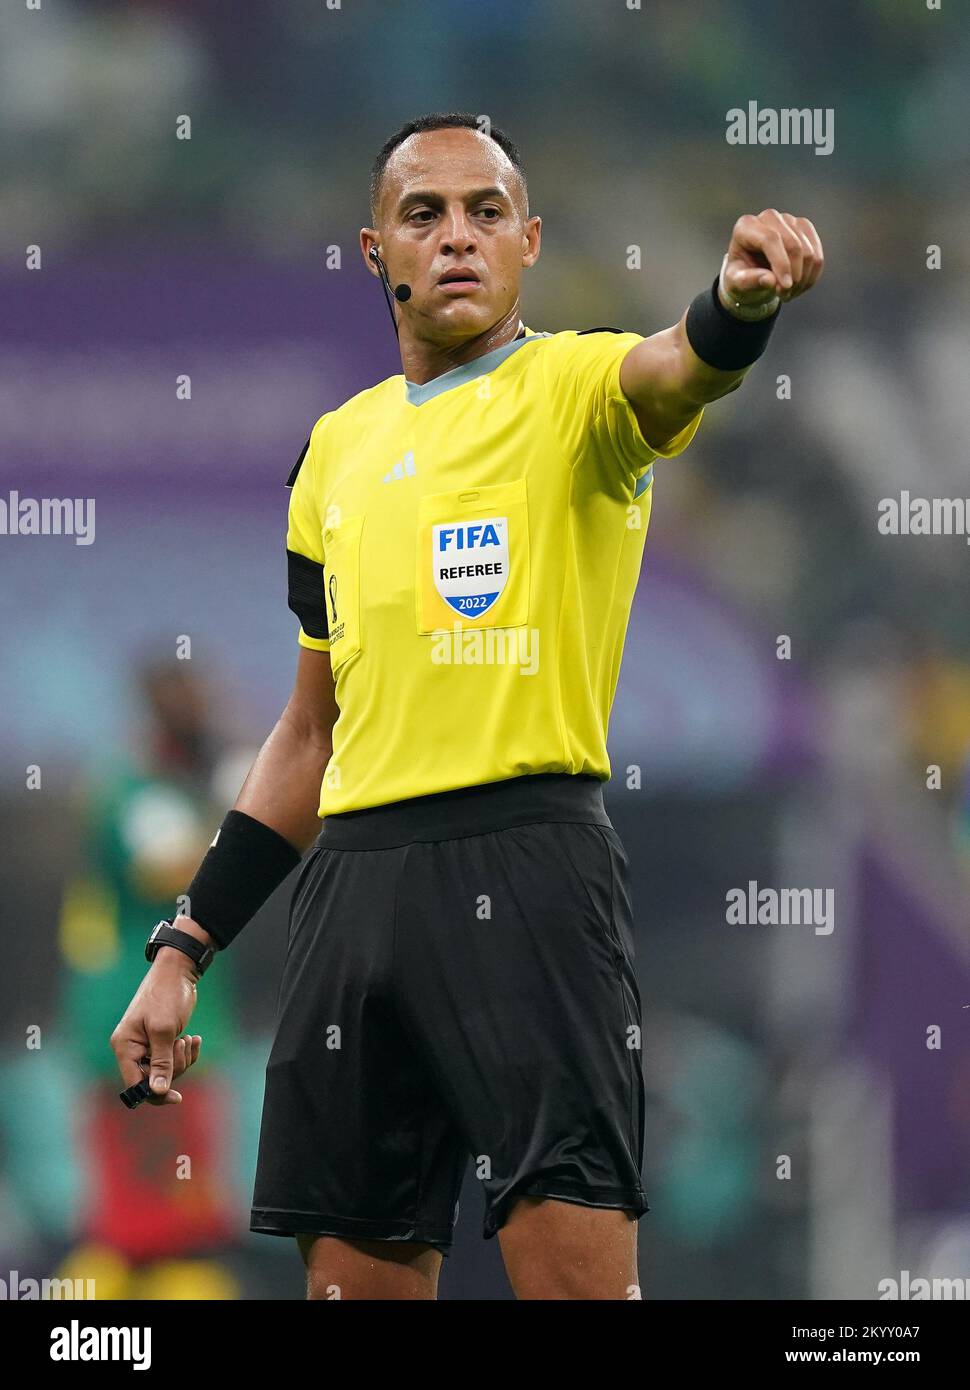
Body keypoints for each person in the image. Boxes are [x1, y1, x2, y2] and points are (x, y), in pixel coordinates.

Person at [111, 111, 823, 1300]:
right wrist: (186, 944)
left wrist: (737, 303)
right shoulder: (332, 453)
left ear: (528, 241)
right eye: (423, 214)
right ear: (373, 248)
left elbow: (680, 361)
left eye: (485, 213)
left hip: (530, 874)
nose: (456, 237)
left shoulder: (578, 390)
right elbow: (308, 734)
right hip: (352, 894)